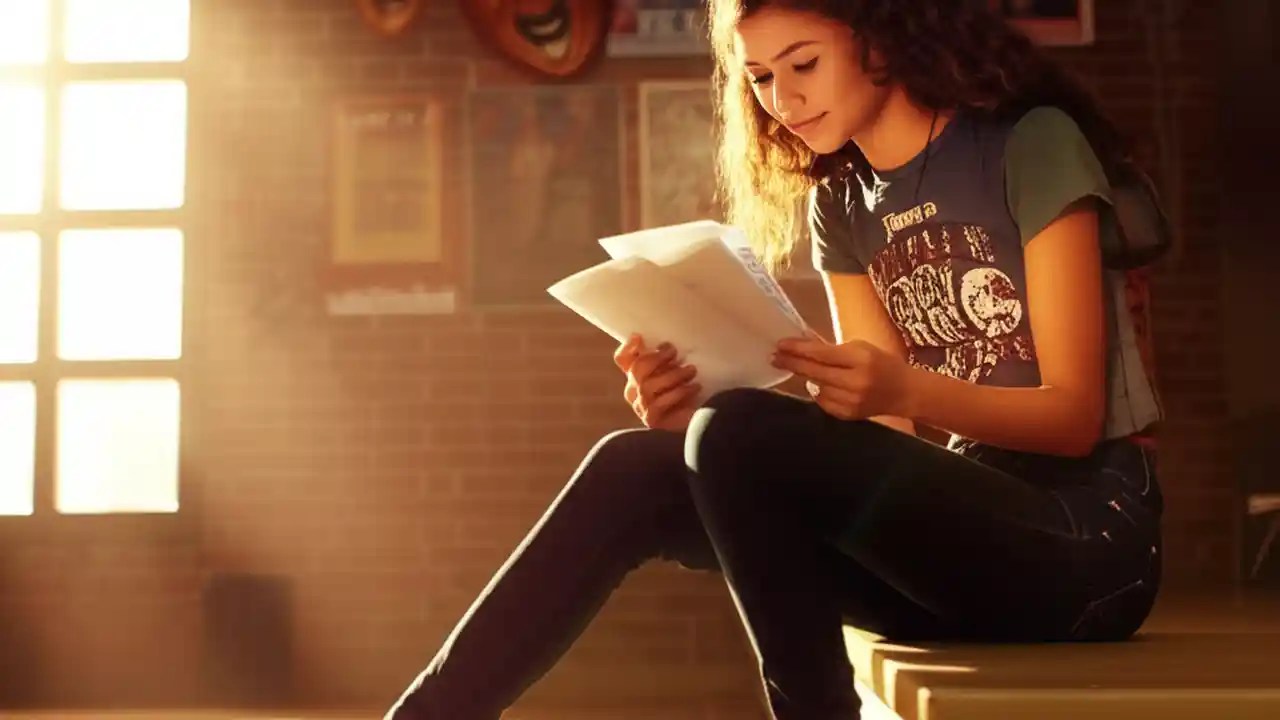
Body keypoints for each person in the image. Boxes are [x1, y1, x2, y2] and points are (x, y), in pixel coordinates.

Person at [385, 0, 1166, 717]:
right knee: (638, 463)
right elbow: (886, 439)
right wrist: (702, 430)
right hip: (956, 554)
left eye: (803, 64)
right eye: (759, 78)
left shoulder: (1030, 142)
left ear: (882, 36)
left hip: (1086, 547)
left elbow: (1073, 418)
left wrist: (893, 390)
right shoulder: (843, 203)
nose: (783, 100)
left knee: (738, 432)